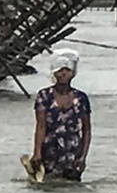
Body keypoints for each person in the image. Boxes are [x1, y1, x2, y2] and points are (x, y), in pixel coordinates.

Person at [27, 49, 92, 182]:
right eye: (59, 70)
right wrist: (37, 152)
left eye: (67, 70)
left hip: (72, 154)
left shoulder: (81, 98)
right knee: (47, 187)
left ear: (72, 73)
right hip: (49, 152)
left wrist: (83, 157)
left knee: (71, 189)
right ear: (54, 73)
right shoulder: (44, 96)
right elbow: (40, 127)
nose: (63, 74)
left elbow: (86, 129)